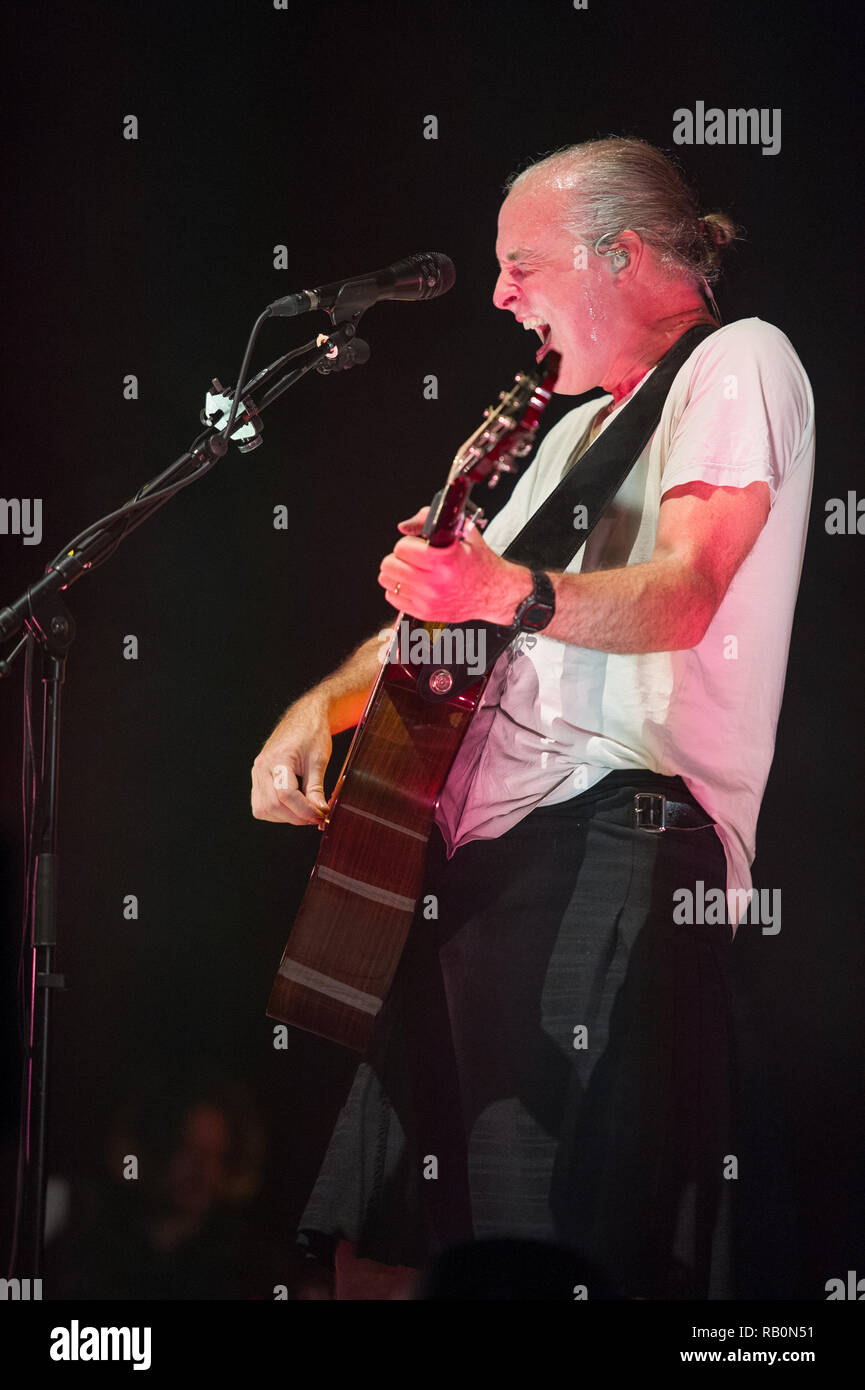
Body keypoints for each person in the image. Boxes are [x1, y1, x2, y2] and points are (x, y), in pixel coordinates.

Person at [250, 137, 815, 1300]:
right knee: (377, 1251)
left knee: (543, 1247)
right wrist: (321, 704)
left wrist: (502, 587)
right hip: (477, 861)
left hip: (612, 835)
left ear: (618, 255)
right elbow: (466, 620)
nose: (501, 295)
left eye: (522, 264)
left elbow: (685, 591)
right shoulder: (565, 433)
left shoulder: (737, 362)